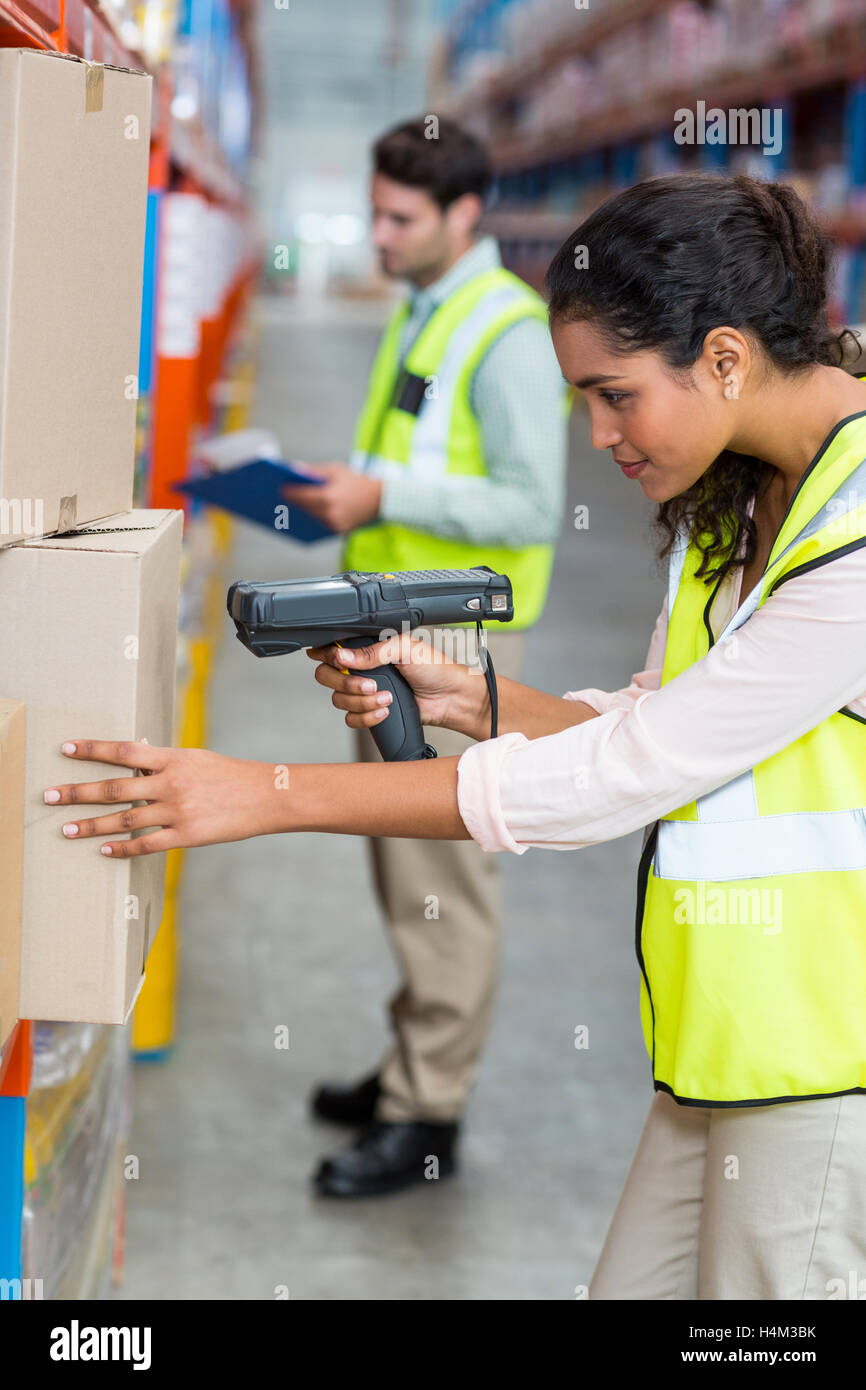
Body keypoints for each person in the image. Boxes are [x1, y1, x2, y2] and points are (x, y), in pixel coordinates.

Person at [47, 172, 866, 1298]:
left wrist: (265, 794)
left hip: (826, 1065)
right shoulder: (751, 496)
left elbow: (624, 774)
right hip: (727, 1044)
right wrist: (459, 696)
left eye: (614, 394)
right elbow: (663, 720)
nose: (598, 433)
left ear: (724, 358)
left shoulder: (852, 540)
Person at [274, 116, 569, 1196]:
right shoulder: (427, 308)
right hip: (393, 625)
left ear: (462, 213)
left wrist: (383, 495)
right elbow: (409, 450)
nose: (378, 234)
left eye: (400, 217)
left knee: (443, 875)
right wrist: (343, 479)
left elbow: (533, 505)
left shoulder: (508, 332)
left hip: (456, 641)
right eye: (374, 211)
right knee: (405, 867)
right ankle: (413, 1064)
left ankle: (429, 1111)